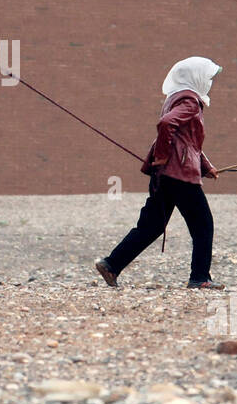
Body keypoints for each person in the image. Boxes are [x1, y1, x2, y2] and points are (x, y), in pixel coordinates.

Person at [96, 56, 227, 289]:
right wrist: (165, 156)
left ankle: (111, 264)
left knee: (152, 225)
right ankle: (200, 278)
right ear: (195, 77)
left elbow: (187, 141)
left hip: (165, 174)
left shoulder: (174, 98)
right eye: (208, 77)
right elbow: (167, 125)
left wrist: (206, 167)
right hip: (180, 175)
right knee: (203, 224)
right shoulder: (190, 101)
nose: (209, 82)